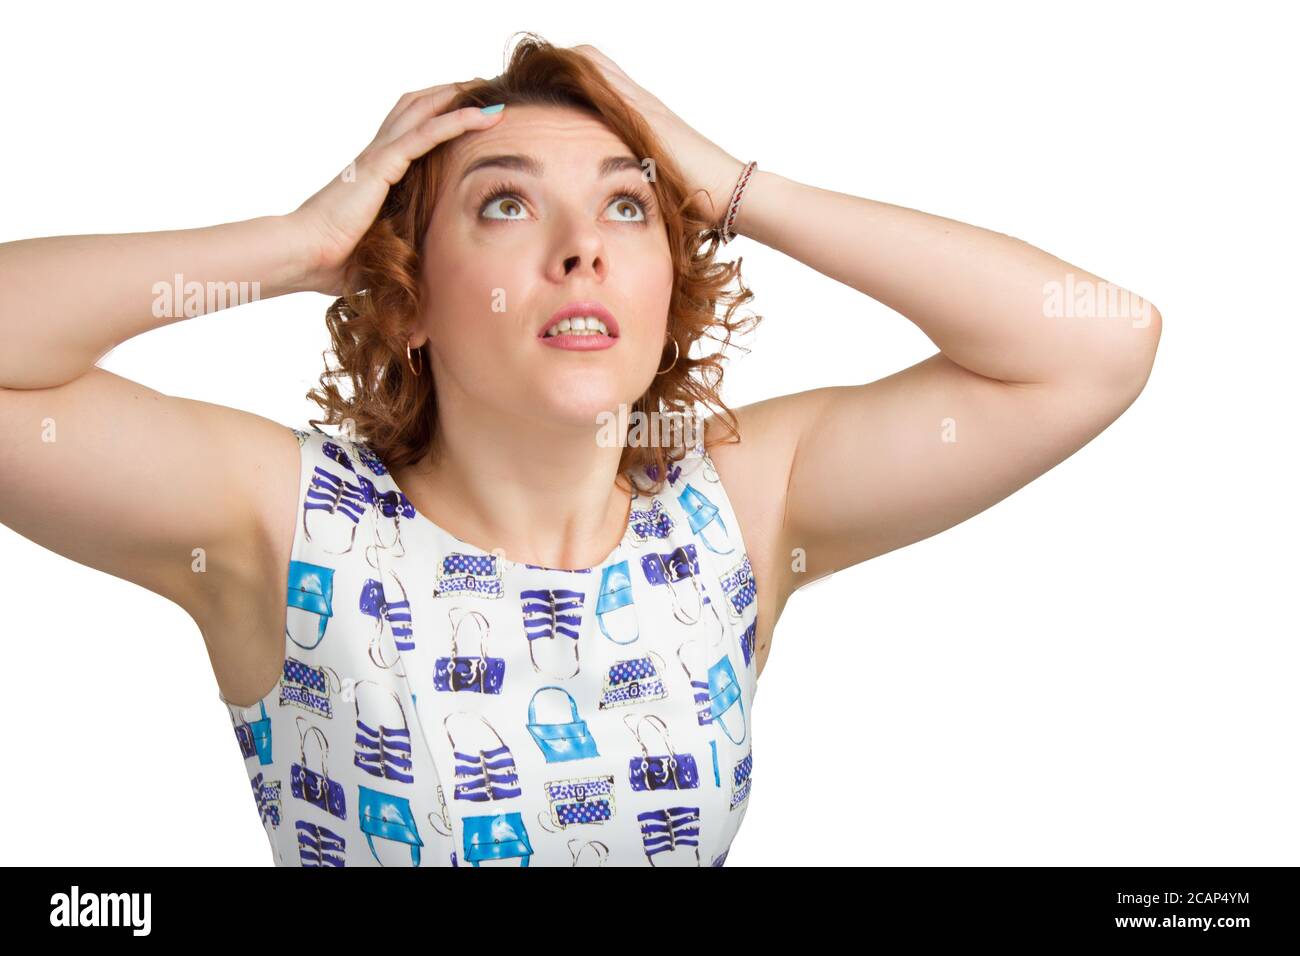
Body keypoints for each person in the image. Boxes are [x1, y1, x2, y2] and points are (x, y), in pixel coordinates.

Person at [0, 35, 1161, 866]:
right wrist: (296, 242)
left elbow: (1097, 345)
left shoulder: (736, 509)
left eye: (627, 207)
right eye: (505, 205)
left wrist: (741, 188)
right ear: (404, 295)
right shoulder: (281, 521)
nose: (581, 252)